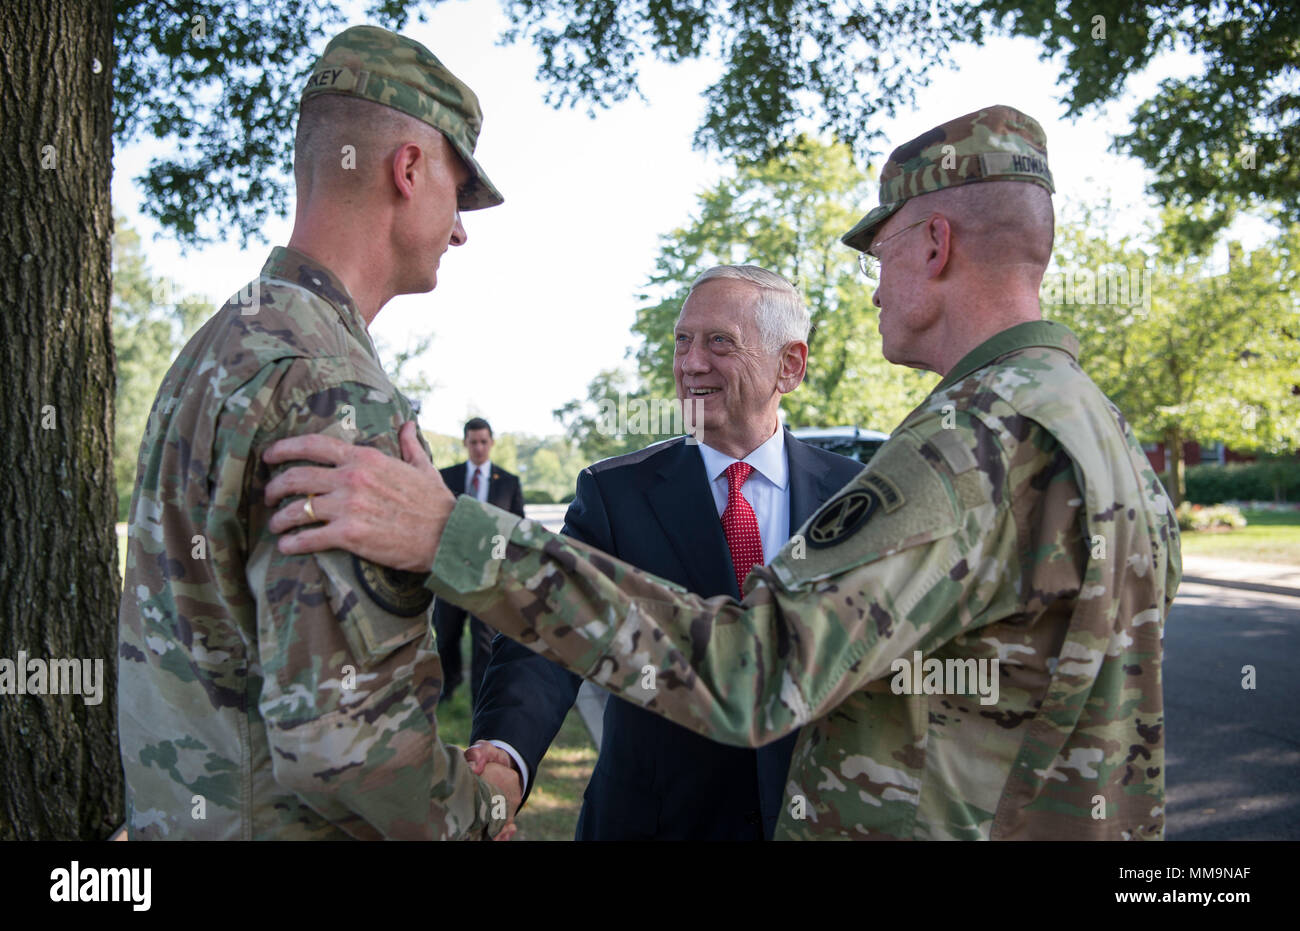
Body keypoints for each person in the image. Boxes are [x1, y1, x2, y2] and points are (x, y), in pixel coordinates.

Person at [264, 105, 1182, 840]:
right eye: (683, 342)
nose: (874, 286)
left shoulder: (966, 448)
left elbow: (752, 668)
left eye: (883, 252)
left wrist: (447, 534)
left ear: (935, 244)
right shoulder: (1104, 440)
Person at [116, 24, 521, 840]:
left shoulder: (221, 345)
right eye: (458, 189)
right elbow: (347, 748)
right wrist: (487, 803)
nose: (462, 229)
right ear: (408, 169)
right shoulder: (332, 388)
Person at [471, 266, 864, 840]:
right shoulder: (615, 495)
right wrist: (508, 755)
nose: (690, 363)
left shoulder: (858, 496)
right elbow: (547, 629)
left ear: (791, 365)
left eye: (719, 342)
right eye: (682, 341)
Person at [434, 416, 526, 706]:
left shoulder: (509, 482)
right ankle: (448, 686)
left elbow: (517, 529)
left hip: (489, 575)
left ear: (491, 443)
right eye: (473, 442)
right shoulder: (445, 478)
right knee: (446, 636)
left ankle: (480, 700)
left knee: (484, 642)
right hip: (451, 571)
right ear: (465, 443)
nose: (478, 447)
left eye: (484, 441)